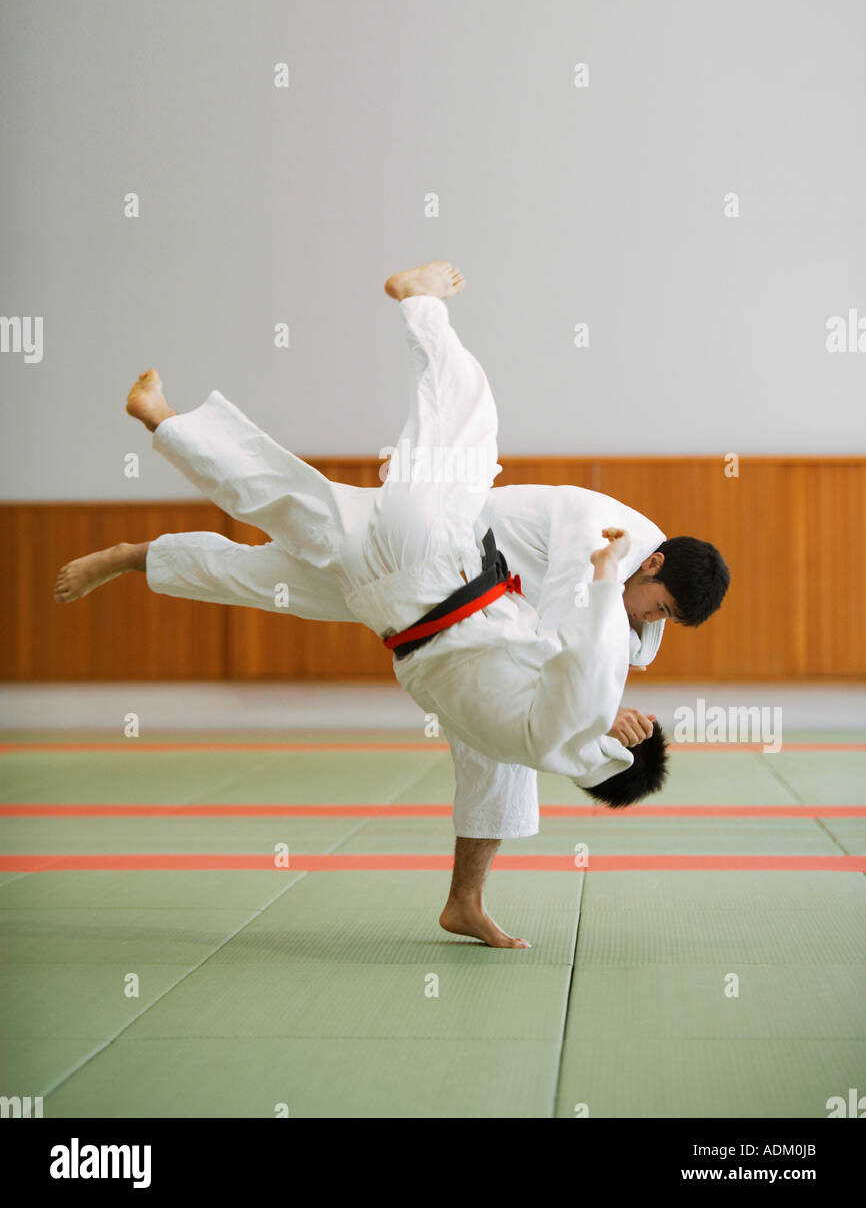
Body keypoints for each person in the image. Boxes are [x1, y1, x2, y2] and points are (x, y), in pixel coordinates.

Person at [55, 261, 730, 946]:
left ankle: (465, 900)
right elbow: (577, 648)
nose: (653, 621)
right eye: (660, 606)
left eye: (666, 619)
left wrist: (602, 713)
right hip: (440, 548)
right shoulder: (603, 542)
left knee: (288, 529)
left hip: (430, 587)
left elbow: (592, 660)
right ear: (652, 562)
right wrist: (600, 715)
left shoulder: (628, 609)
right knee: (443, 426)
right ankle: (409, 310)